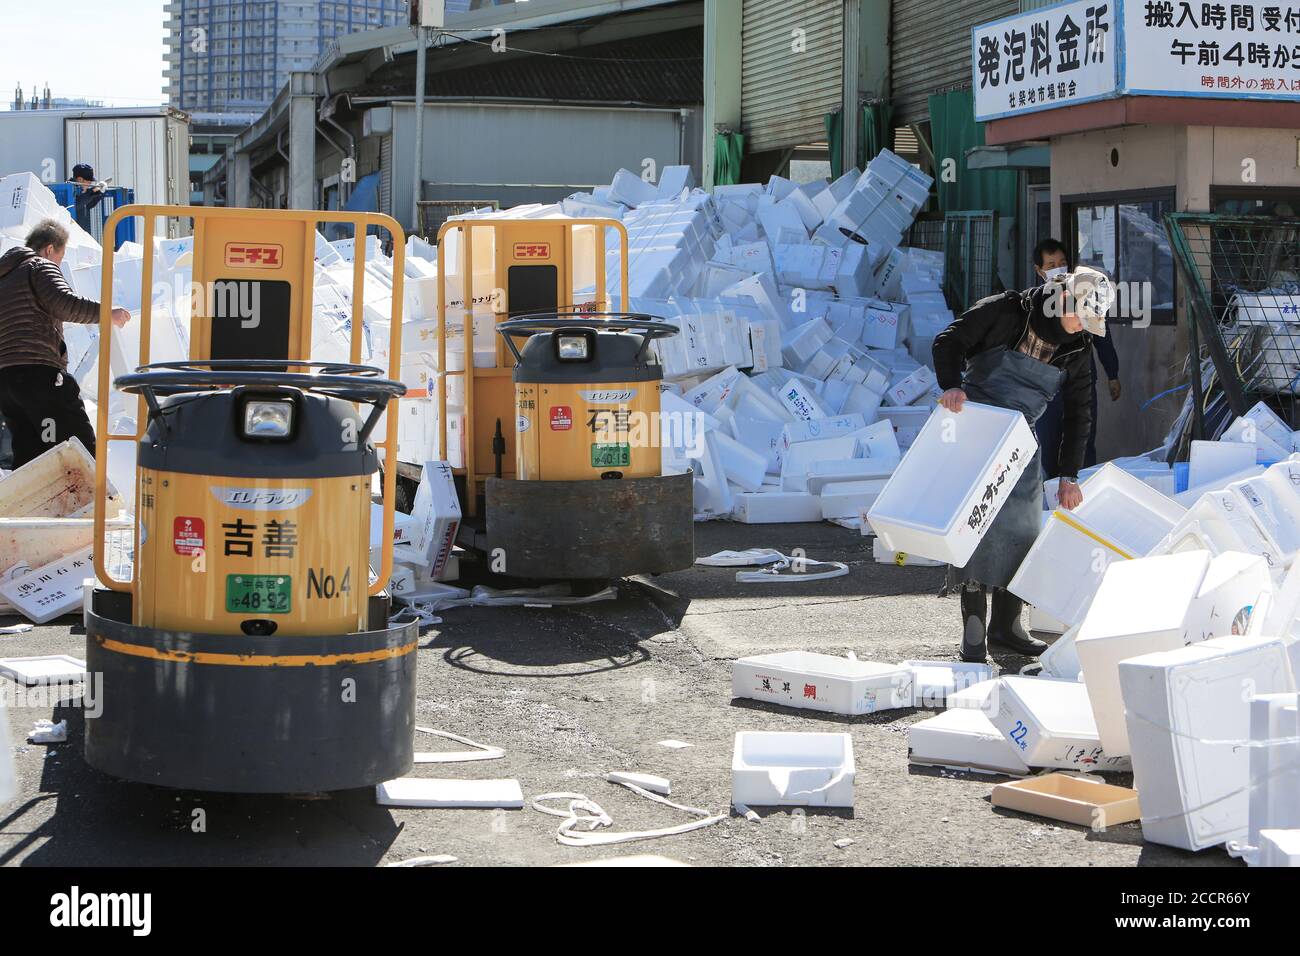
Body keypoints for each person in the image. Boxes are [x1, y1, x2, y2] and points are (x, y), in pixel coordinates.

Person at [931, 266, 1113, 663]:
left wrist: (1069, 475)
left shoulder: (1079, 348)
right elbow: (948, 342)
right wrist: (952, 385)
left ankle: (1007, 626)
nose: (1083, 327)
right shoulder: (1007, 310)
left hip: (1021, 439)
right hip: (976, 427)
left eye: (1089, 323)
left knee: (1024, 530)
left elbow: (1080, 412)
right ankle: (974, 629)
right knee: (974, 528)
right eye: (1080, 316)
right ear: (1063, 297)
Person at [0, 218, 129, 468]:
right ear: (50, 249)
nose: (59, 263)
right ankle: (93, 505)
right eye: (60, 256)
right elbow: (64, 302)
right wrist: (107, 312)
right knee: (77, 444)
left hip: (7, 384)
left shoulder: (4, 278)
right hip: (39, 375)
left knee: (30, 455)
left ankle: (33, 507)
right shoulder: (39, 266)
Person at [1030, 238, 1121, 477]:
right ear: (1039, 271)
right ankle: (1053, 506)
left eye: (1062, 263)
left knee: (1082, 445)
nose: (1058, 269)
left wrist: (1113, 373)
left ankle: (1084, 503)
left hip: (1081, 384)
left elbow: (1102, 337)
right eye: (1051, 266)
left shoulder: (1084, 296)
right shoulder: (1029, 304)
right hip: (1045, 391)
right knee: (1049, 449)